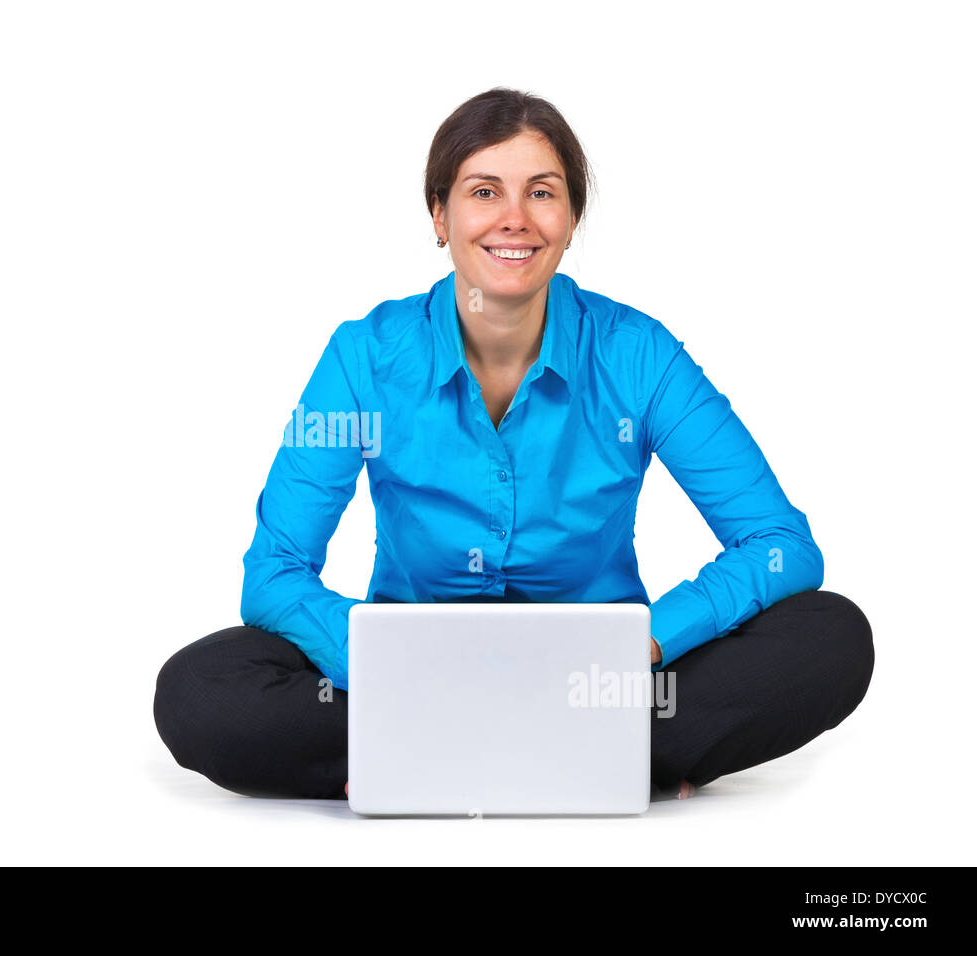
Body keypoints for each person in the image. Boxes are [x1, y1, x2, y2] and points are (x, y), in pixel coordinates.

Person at [153, 87, 874, 803]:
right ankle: (587, 760)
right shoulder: (366, 357)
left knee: (833, 635)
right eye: (484, 191)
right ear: (440, 215)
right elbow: (273, 572)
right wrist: (375, 661)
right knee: (198, 690)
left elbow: (781, 543)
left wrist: (648, 641)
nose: (514, 220)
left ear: (570, 218)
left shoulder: (638, 355)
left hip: (602, 686)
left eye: (542, 192)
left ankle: (431, 759)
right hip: (416, 684)